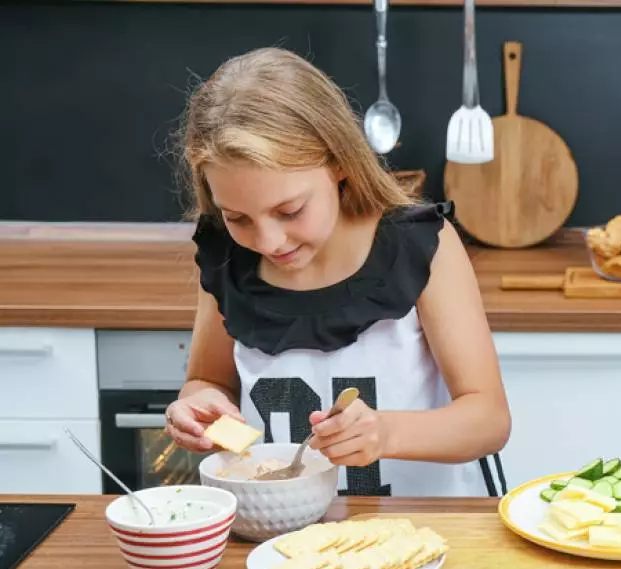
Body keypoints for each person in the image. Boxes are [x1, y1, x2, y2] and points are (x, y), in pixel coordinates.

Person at [164, 47, 512, 497]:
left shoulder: (420, 244)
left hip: (433, 528)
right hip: (290, 538)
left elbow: (488, 420)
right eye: (238, 217)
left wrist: (385, 434)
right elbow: (208, 380)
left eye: (290, 210)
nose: (269, 242)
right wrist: (196, 404)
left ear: (340, 164)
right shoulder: (224, 253)